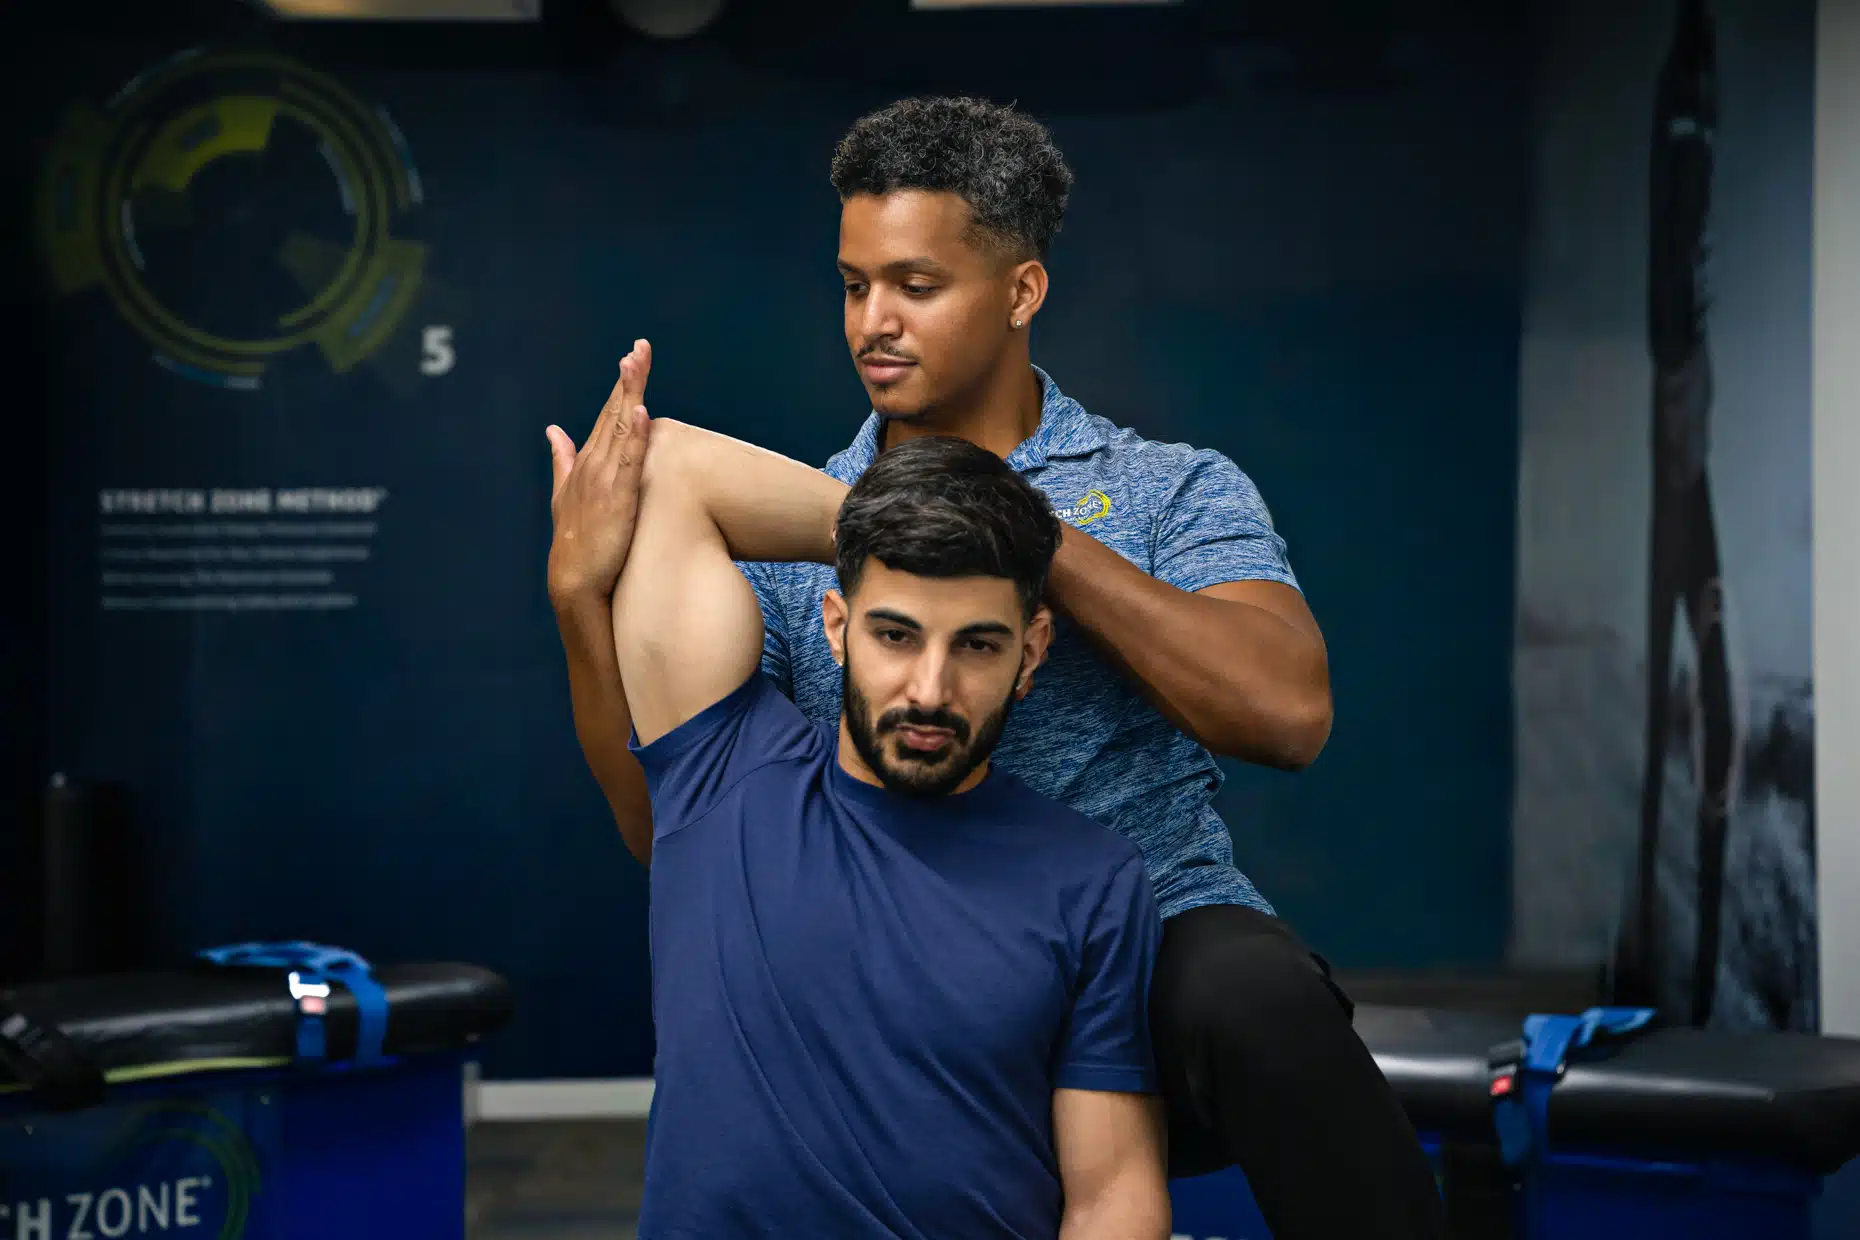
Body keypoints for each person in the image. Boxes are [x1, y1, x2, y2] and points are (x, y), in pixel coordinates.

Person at [547, 98, 1445, 1238]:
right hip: (899, 957)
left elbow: (1286, 712)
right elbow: (673, 827)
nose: (874, 322)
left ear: (1022, 292)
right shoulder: (794, 542)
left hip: (1133, 947)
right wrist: (579, 601)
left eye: (916, 286)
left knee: (1254, 989)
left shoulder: (1169, 489)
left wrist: (1012, 533)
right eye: (854, 285)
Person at [554, 354, 1171, 1238]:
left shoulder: (1093, 879)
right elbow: (675, 465)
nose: (930, 689)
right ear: (837, 627)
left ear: (1031, 652)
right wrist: (907, 524)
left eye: (977, 645)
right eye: (895, 633)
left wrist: (962, 532)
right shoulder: (722, 769)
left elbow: (1113, 1193)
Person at [1617, 0, 1738, 1029]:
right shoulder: (1673, 310)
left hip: (1686, 484)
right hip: (1675, 478)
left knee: (1706, 707)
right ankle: (1654, 966)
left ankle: (1681, 980)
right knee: (1672, 707)